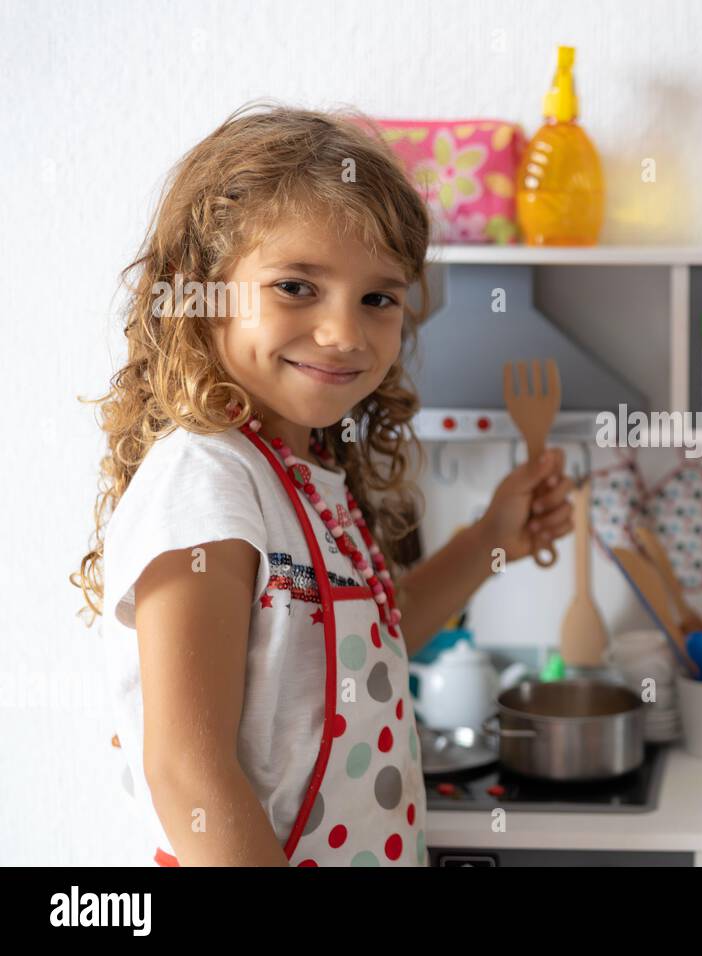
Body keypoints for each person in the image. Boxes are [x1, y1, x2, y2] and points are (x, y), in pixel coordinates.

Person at [71, 104, 574, 866]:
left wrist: (491, 540)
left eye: (379, 298)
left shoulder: (305, 477)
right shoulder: (205, 480)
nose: (344, 332)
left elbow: (378, 636)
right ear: (199, 292)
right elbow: (188, 773)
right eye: (297, 287)